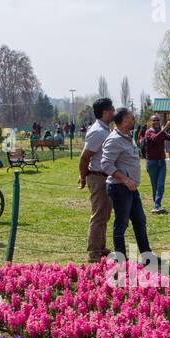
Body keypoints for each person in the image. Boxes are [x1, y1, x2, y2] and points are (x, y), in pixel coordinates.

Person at [101, 108, 152, 260]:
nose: (134, 120)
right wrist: (125, 179)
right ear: (124, 122)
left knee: (139, 221)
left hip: (131, 188)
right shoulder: (114, 140)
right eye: (131, 119)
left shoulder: (127, 136)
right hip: (119, 188)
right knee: (121, 223)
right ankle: (121, 258)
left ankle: (147, 256)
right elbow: (106, 164)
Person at [78, 97, 115, 263]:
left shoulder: (105, 129)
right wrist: (82, 177)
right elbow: (85, 157)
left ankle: (100, 247)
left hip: (105, 178)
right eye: (112, 109)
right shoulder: (98, 131)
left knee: (104, 214)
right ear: (106, 112)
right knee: (99, 215)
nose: (114, 112)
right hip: (98, 177)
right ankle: (93, 252)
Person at [142, 114, 170, 214]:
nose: (156, 122)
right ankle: (156, 205)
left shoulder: (161, 131)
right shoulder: (149, 132)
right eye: (154, 120)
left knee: (160, 185)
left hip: (162, 162)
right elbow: (155, 139)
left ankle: (157, 206)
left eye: (157, 120)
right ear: (150, 122)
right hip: (152, 163)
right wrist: (165, 128)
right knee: (155, 185)